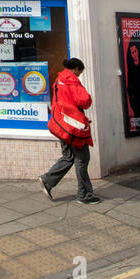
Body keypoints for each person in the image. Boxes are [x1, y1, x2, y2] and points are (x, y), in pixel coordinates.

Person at [40, 57, 100, 204]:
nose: (79, 75)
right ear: (76, 69)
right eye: (79, 73)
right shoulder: (71, 81)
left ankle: (47, 180)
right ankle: (84, 195)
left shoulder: (58, 80)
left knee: (68, 157)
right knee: (82, 159)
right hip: (73, 128)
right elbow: (85, 101)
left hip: (61, 125)